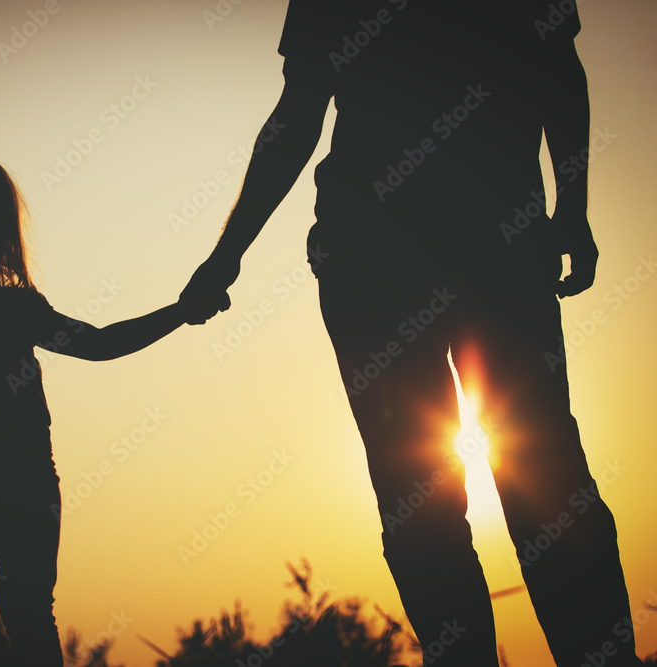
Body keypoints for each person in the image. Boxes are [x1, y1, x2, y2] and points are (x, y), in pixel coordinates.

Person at [182, 2, 643, 665]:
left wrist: (573, 205)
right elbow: (557, 69)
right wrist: (571, 207)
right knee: (462, 485)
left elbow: (301, 109)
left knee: (489, 480)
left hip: (413, 250)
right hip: (437, 249)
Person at [0, 154, 227, 666]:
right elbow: (100, 344)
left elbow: (101, 344)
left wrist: (179, 312)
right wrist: (180, 312)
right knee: (21, 615)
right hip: (16, 479)